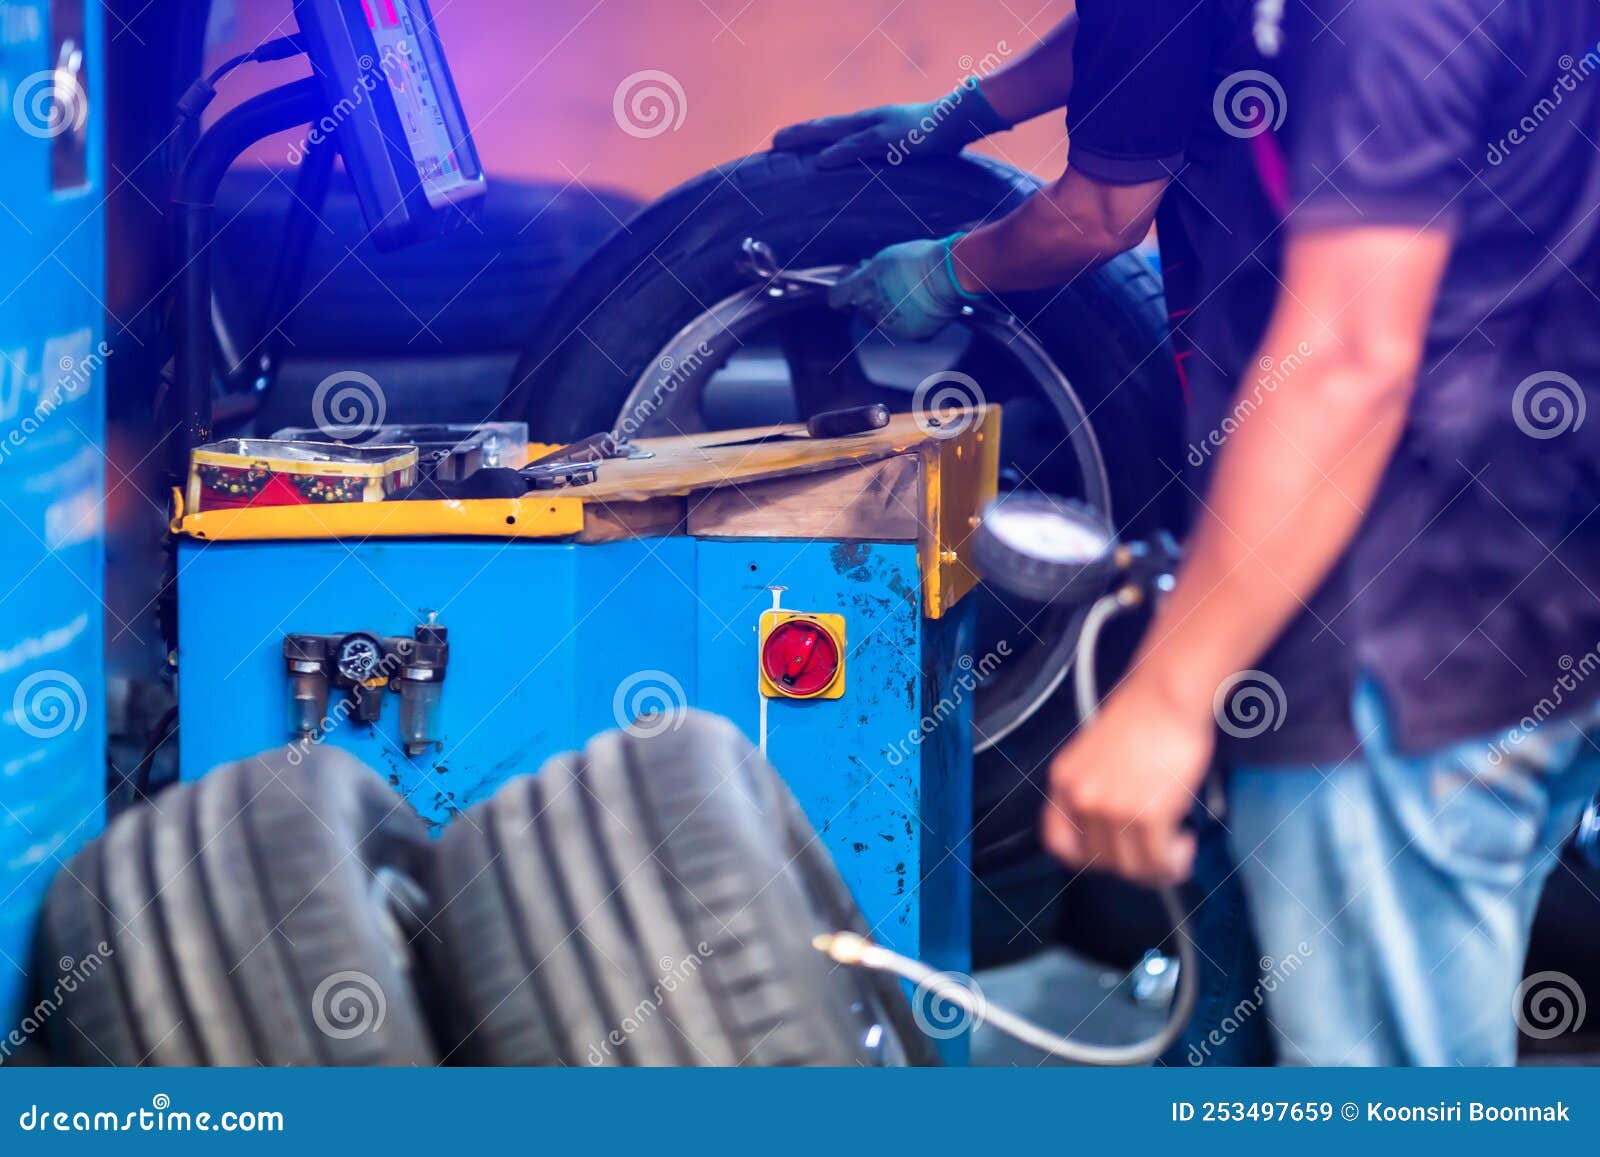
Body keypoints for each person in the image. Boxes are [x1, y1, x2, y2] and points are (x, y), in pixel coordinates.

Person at [796, 0, 1600, 1067]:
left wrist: (1167, 697)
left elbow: (1341, 356)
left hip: (1390, 620)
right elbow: (1150, 26)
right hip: (1541, 572)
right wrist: (975, 107)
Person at [779, 0, 1285, 1066]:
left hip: (1320, 419)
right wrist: (966, 113)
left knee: (1286, 791)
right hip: (1346, 398)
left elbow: (1100, 214)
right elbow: (1139, 37)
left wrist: (947, 269)